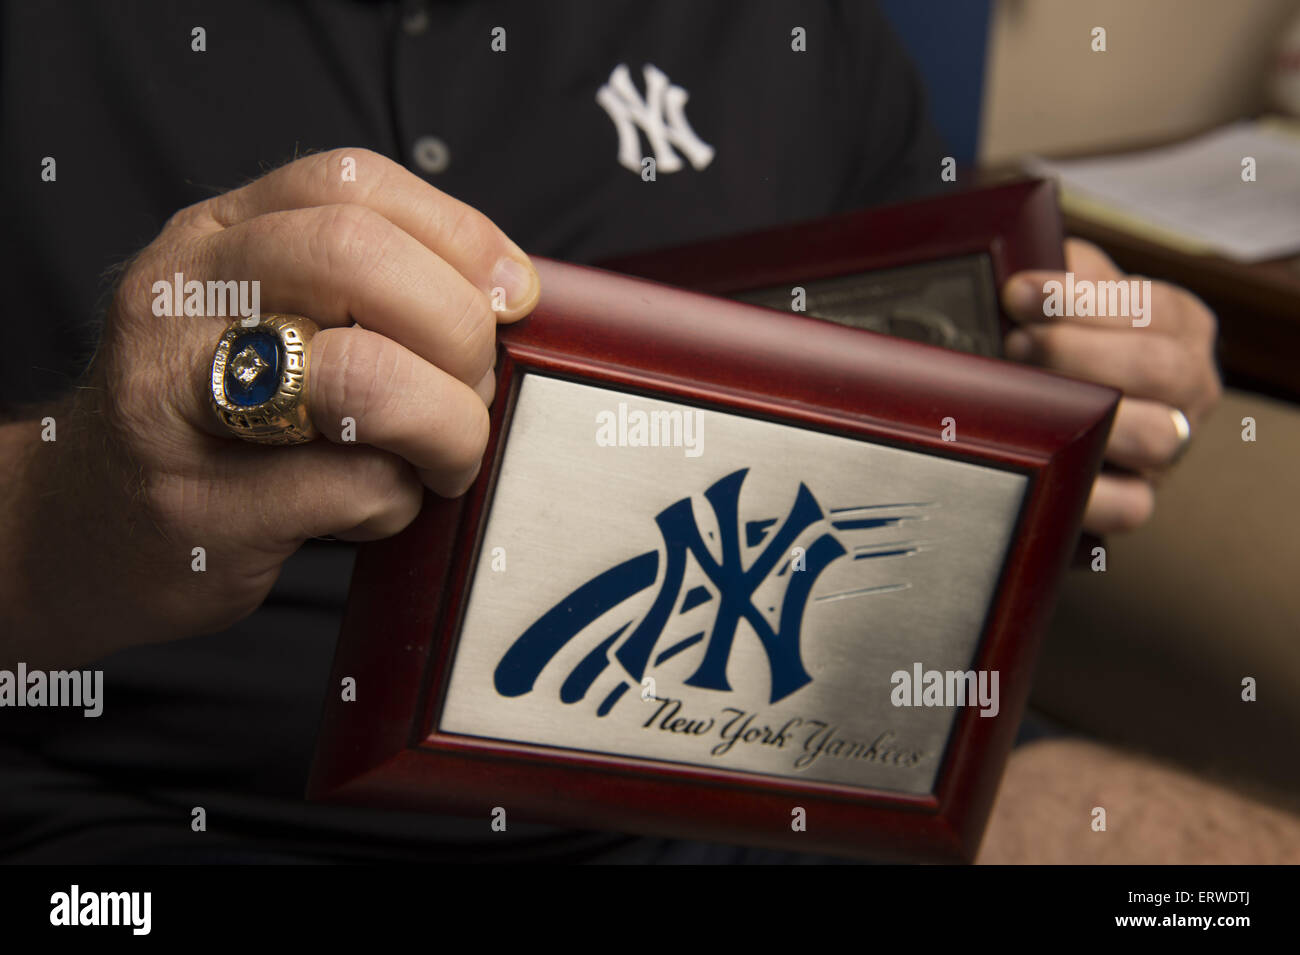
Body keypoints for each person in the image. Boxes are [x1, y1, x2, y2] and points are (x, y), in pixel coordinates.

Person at [0, 0, 1259, 864]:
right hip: (159, 816)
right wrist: (74, 510)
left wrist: (1055, 387)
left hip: (792, 790)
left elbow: (930, 380)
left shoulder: (799, 27)